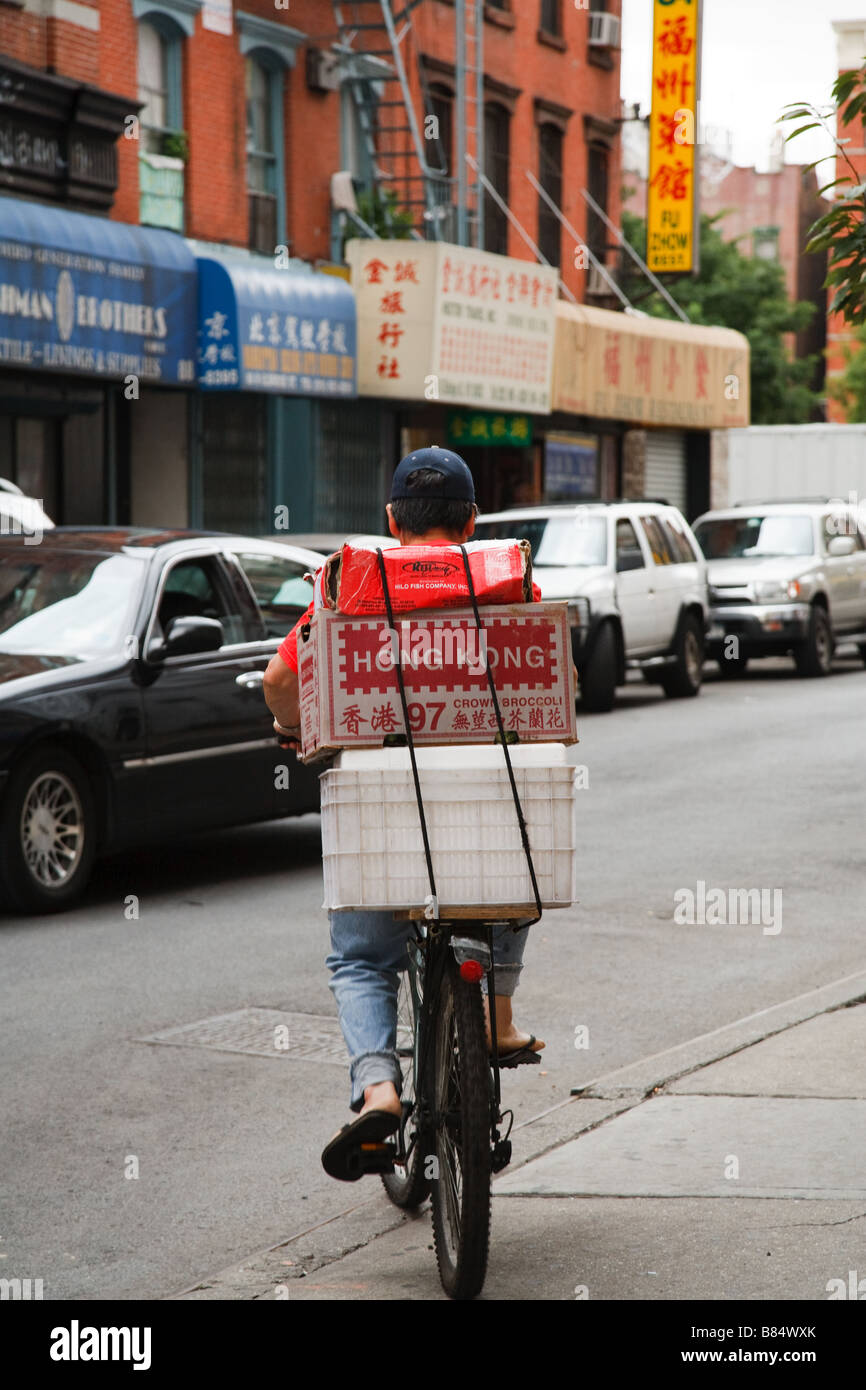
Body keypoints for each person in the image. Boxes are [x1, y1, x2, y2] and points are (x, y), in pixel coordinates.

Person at [263, 447, 544, 1180]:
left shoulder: (347, 582)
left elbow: (280, 676)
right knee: (511, 875)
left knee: (361, 955)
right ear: (473, 520)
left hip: (378, 804)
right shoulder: (508, 578)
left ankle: (380, 1091)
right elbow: (558, 676)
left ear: (391, 520)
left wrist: (294, 729)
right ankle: (495, 1014)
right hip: (486, 797)